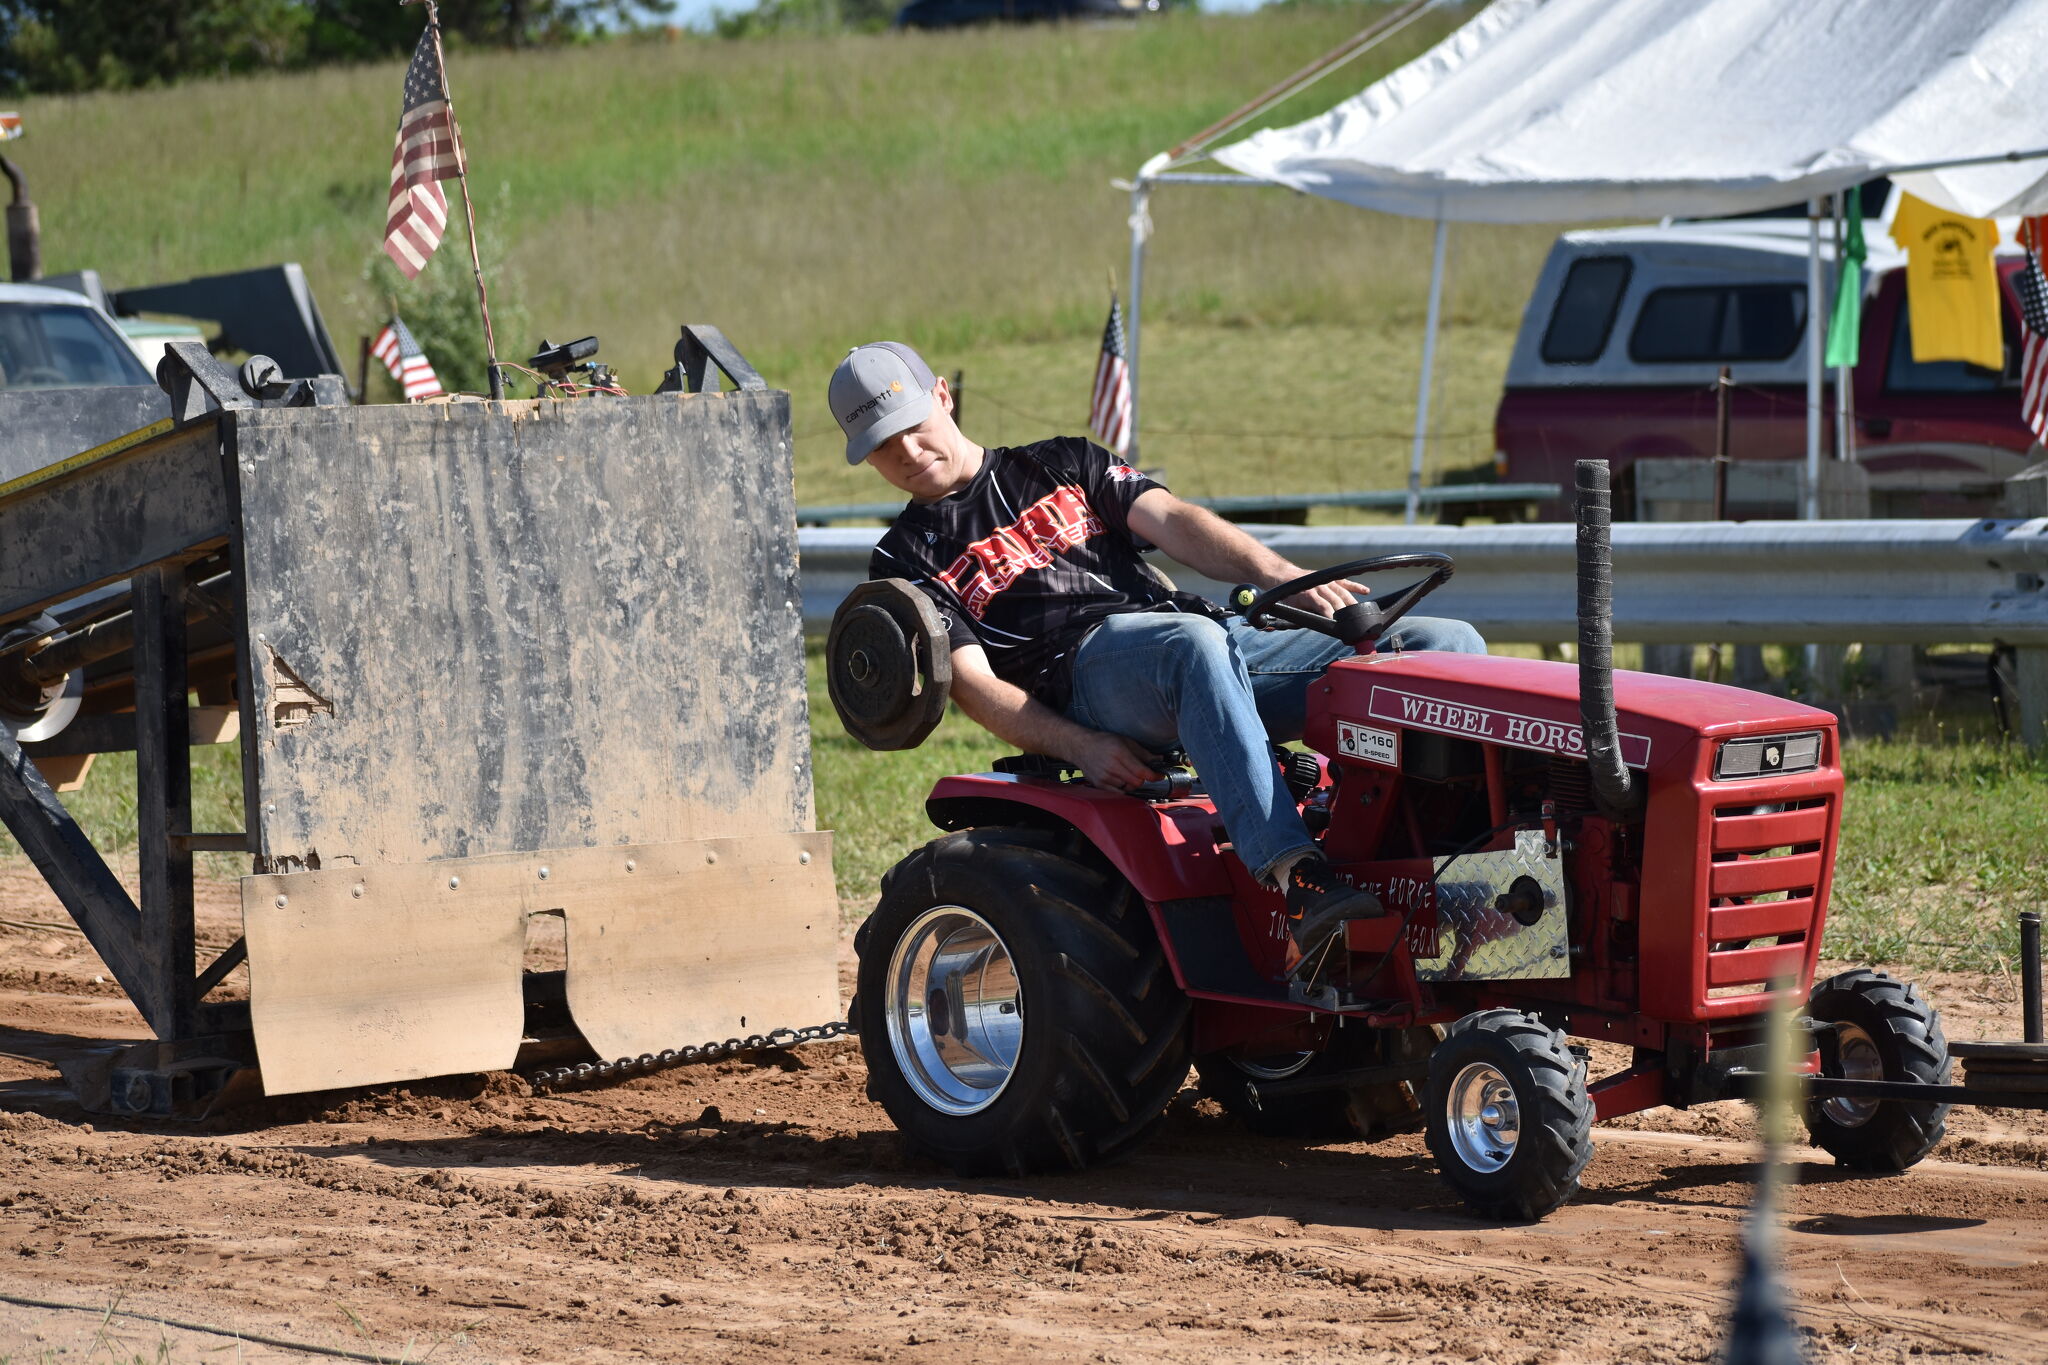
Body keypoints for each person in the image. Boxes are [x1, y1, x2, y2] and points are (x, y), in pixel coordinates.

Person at [829, 340, 1487, 950]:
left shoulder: (1059, 461)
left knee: (1436, 643)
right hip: (1090, 676)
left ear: (943, 395)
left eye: (914, 426)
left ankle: (1455, 863)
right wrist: (1078, 744)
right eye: (885, 446)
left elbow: (1172, 520)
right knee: (1190, 644)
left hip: (1208, 641)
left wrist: (1279, 577)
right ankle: (1298, 879)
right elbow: (976, 684)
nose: (909, 452)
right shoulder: (905, 559)